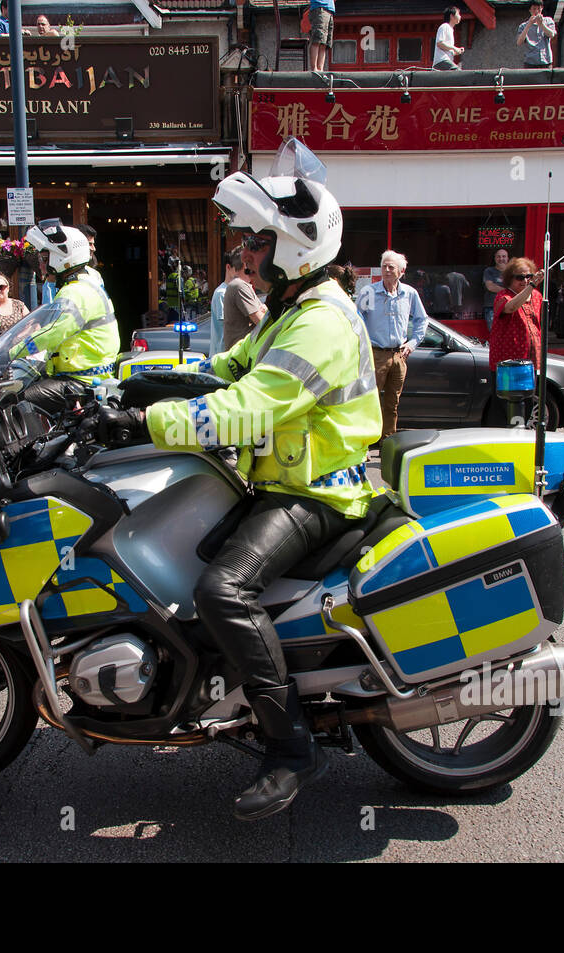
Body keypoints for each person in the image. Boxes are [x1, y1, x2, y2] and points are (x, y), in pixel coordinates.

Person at [92, 140, 381, 820]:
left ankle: (291, 746)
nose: (246, 255)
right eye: (247, 242)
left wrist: (145, 424)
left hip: (318, 494)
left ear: (293, 247)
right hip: (277, 486)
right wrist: (124, 385)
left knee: (221, 588)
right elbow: (224, 372)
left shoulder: (322, 323)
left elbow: (248, 406)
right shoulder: (292, 311)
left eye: (256, 241)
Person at [18, 218, 119, 415]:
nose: (40, 264)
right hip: (84, 374)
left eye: (44, 259)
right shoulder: (83, 281)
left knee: (19, 400)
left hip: (81, 380)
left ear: (61, 259)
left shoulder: (75, 292)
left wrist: (11, 352)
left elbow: (53, 333)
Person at [356, 251, 427, 441]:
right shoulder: (369, 292)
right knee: (370, 400)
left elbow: (422, 319)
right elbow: (357, 318)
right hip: (376, 354)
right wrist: (364, 346)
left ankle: (387, 441)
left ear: (401, 271)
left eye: (391, 267)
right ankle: (365, 442)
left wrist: (412, 344)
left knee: (392, 402)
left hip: (399, 355)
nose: (386, 270)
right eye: (384, 266)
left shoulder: (409, 294)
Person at [488, 256, 544, 425]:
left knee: (526, 403)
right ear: (509, 279)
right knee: (508, 407)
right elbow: (511, 306)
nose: (525, 280)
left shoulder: (536, 296)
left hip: (530, 362)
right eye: (520, 277)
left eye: (528, 276)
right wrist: (531, 286)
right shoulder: (503, 296)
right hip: (508, 364)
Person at [222, 258, 267, 352]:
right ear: (245, 265)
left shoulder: (241, 285)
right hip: (242, 355)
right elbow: (263, 322)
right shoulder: (240, 286)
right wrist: (265, 311)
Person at [209, 249, 240, 353]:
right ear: (228, 267)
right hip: (222, 357)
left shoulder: (231, 291)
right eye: (238, 268)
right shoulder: (222, 293)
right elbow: (226, 329)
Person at [517, 2, 557, 67]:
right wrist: (528, 25)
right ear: (530, 10)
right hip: (530, 62)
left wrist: (541, 24)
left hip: (546, 61)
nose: (536, 11)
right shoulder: (523, 26)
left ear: (542, 9)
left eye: (539, 9)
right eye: (534, 9)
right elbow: (519, 42)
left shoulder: (548, 21)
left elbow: (551, 35)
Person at [482, 248, 509, 327]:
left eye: (504, 256)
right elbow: (490, 287)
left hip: (509, 307)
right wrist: (508, 290)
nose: (501, 259)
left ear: (507, 258)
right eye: (498, 257)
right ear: (495, 258)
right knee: (494, 333)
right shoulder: (489, 271)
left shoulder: (512, 272)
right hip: (492, 308)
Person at [308, 0, 335, 73]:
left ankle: (320, 69)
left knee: (324, 43)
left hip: (329, 10)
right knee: (317, 40)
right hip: (320, 8)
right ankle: (314, 68)